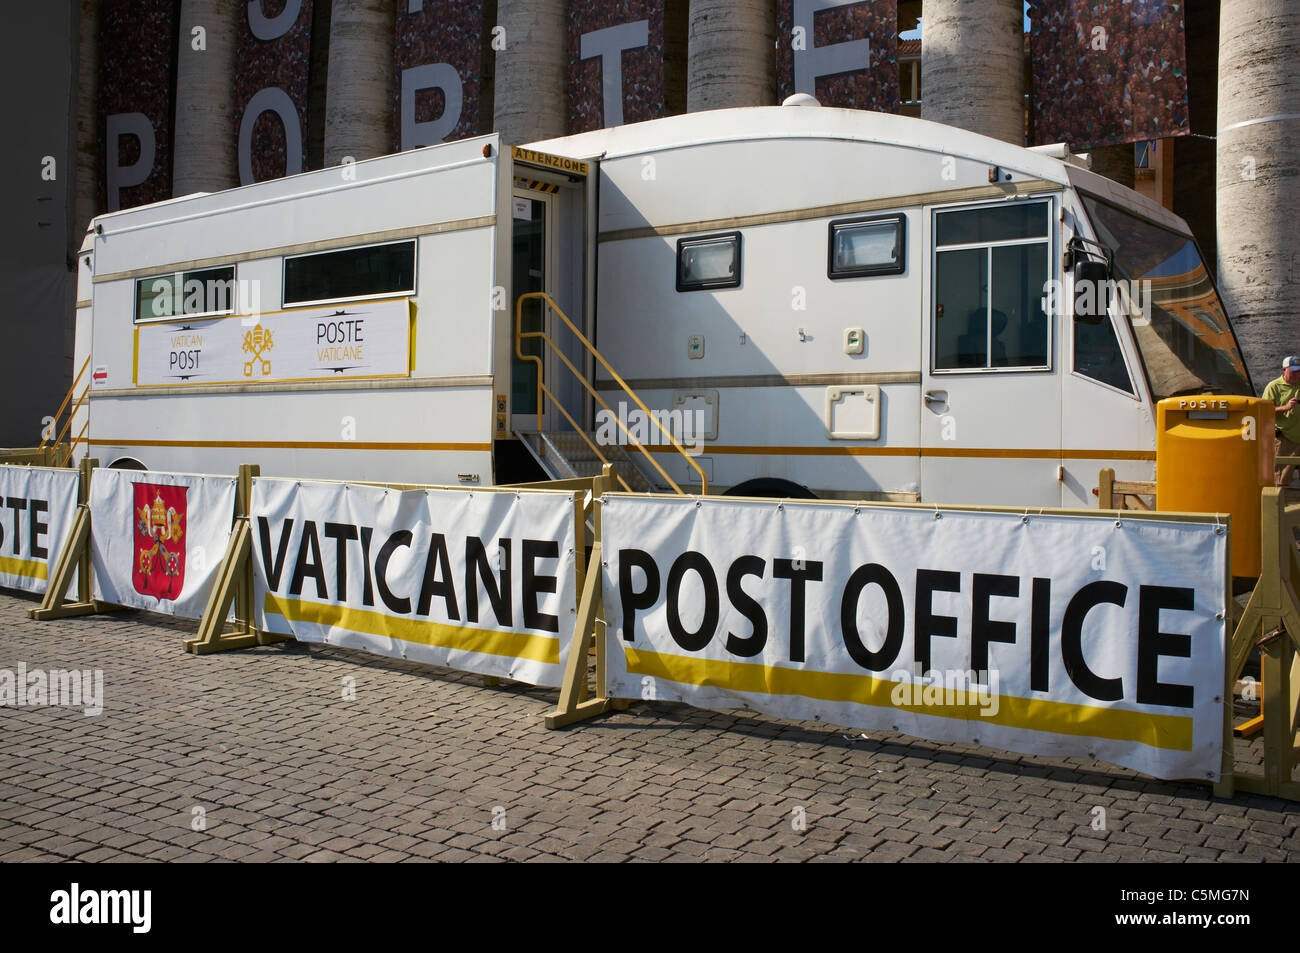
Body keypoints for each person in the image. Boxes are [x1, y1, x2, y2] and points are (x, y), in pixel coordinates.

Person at [1263, 356, 1300, 486]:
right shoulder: (1273, 387)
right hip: (1285, 438)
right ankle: (1278, 504)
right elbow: (1265, 412)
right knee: (1281, 477)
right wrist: (1286, 407)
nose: (1297, 374)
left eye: (1299, 371)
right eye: (1294, 371)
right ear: (1284, 370)